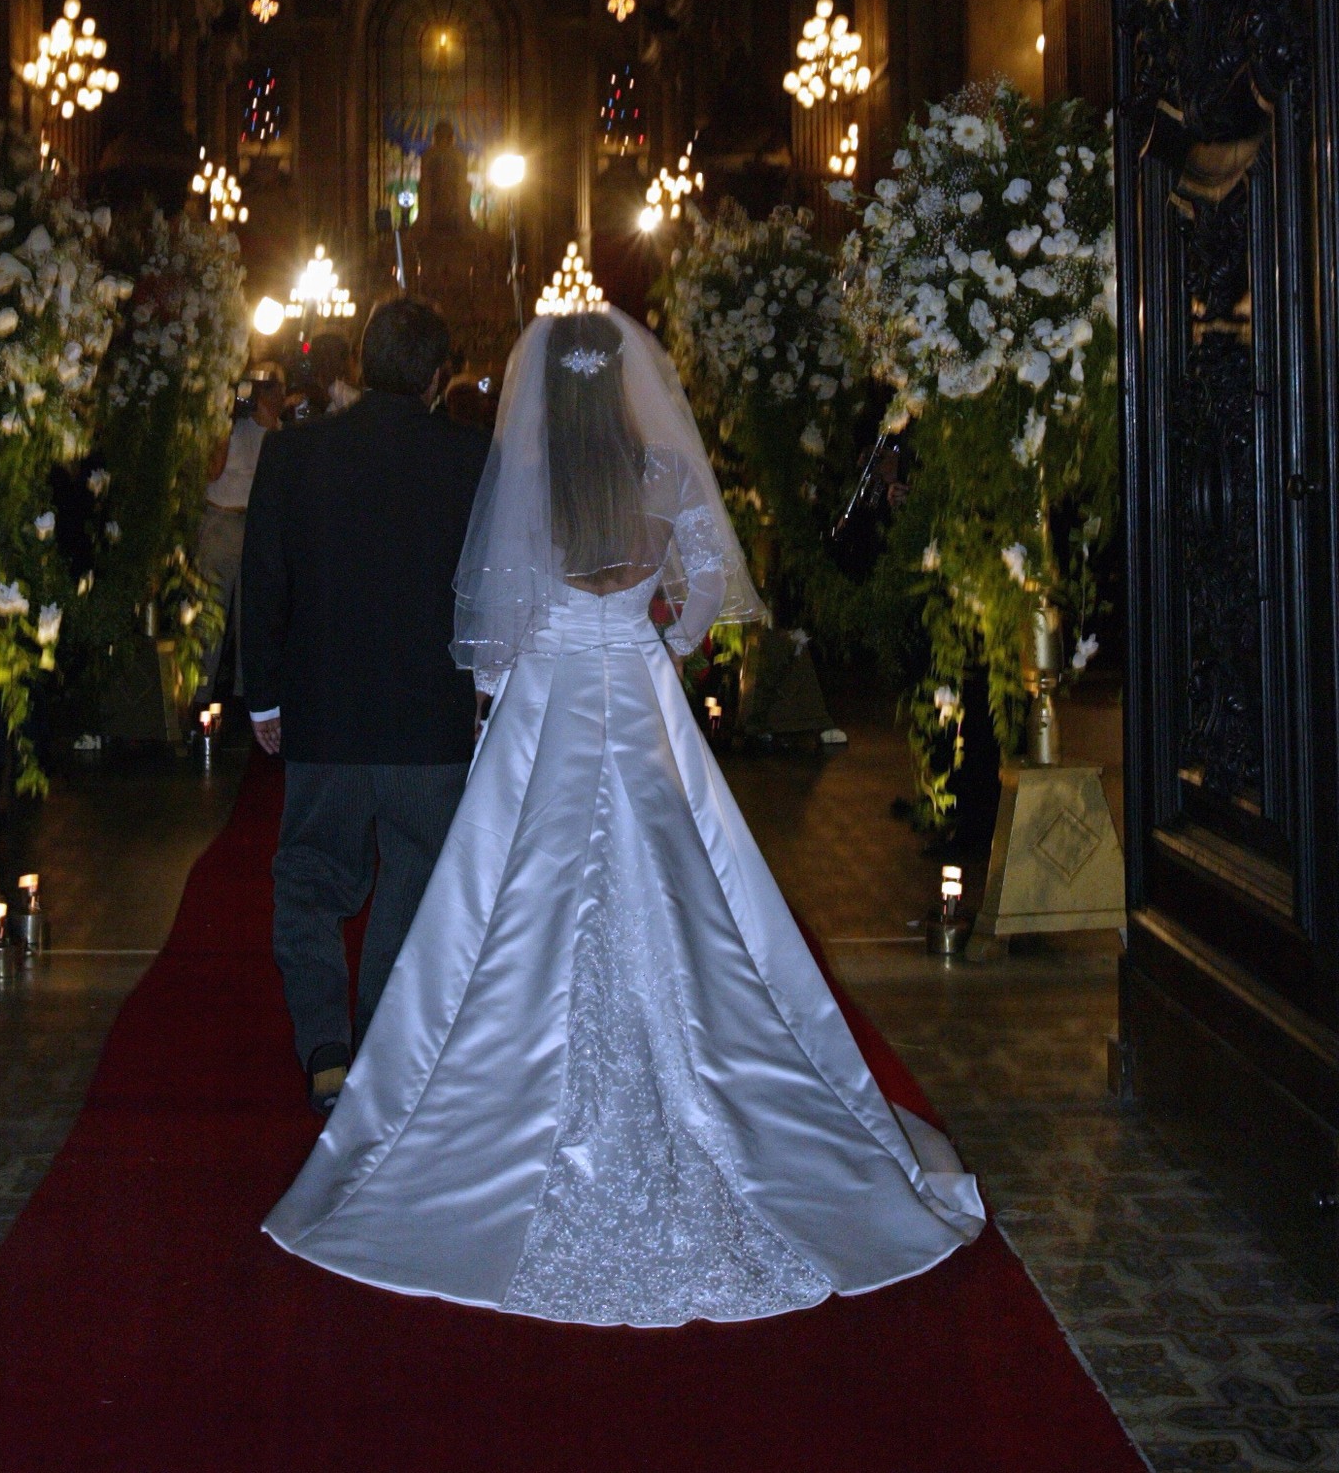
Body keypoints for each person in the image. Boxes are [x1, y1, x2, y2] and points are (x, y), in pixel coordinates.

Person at [264, 307, 984, 1325]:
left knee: (509, 915)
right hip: (639, 706)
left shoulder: (525, 478)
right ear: (623, 384)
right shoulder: (664, 474)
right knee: (688, 903)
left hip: (548, 705)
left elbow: (496, 635)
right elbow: (707, 596)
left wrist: (506, 702)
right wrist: (658, 640)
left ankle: (471, 1111)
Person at [240, 296, 489, 1116]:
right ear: (438, 375)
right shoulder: (471, 457)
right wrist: (487, 690)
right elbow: (490, 586)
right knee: (415, 881)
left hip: (326, 709)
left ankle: (325, 1046)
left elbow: (264, 579)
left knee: (311, 879)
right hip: (430, 716)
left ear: (362, 364)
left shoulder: (294, 452)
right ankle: (382, 1044)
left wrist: (263, 696)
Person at [191, 366, 285, 711]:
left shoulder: (278, 431)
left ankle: (250, 698)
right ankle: (200, 693)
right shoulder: (227, 424)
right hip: (222, 520)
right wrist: (225, 420)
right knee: (211, 613)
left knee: (253, 616)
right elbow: (212, 470)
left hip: (255, 525)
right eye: (263, 388)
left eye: (273, 387)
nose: (269, 395)